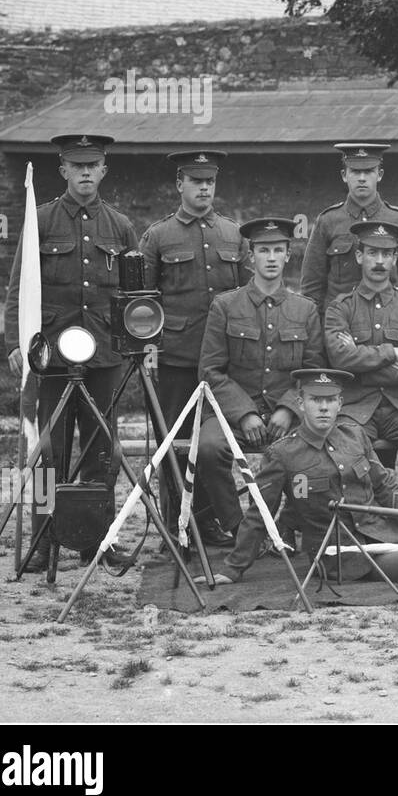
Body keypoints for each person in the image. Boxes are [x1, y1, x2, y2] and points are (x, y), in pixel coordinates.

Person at [5, 133, 138, 567]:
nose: (85, 173)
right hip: (53, 358)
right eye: (76, 166)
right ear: (62, 170)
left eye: (92, 165)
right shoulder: (40, 220)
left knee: (102, 449)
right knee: (50, 452)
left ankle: (96, 539)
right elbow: (19, 290)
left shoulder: (120, 226)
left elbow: (134, 299)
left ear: (103, 170)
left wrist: (134, 344)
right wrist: (15, 343)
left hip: (103, 357)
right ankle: (45, 539)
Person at [205, 370, 398, 583]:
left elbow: (387, 485)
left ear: (340, 404)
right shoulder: (283, 454)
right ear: (300, 403)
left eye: (330, 400)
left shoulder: (354, 435)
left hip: (383, 531)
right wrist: (233, 569)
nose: (323, 407)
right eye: (315, 400)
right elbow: (260, 514)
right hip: (342, 556)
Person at [196, 218, 326, 545]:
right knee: (209, 448)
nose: (271, 257)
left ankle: (285, 526)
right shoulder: (225, 305)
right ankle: (240, 528)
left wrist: (288, 409)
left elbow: (312, 373)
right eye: (263, 250)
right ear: (250, 257)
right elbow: (211, 370)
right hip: (231, 414)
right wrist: (244, 413)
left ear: (287, 257)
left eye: (278, 250)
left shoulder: (305, 310)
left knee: (313, 454)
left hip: (285, 417)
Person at [139, 150, 250, 526]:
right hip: (177, 360)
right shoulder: (158, 235)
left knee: (211, 446)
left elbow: (248, 296)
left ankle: (209, 524)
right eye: (196, 181)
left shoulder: (234, 234)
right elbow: (142, 306)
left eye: (210, 181)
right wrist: (149, 356)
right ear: (179, 184)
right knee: (175, 443)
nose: (204, 188)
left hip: (223, 363)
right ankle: (178, 527)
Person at [324, 220, 398, 503]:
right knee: (346, 447)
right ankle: (366, 517)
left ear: (395, 258)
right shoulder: (341, 308)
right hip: (357, 405)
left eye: (386, 254)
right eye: (372, 253)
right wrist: (392, 353)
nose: (379, 261)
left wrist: (360, 367)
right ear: (360, 256)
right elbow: (339, 359)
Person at [299, 141, 398, 313]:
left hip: (389, 324)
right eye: (356, 172)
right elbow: (312, 287)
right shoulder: (328, 221)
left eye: (369, 171)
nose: (362, 178)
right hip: (339, 325)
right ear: (344, 175)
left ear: (379, 174)